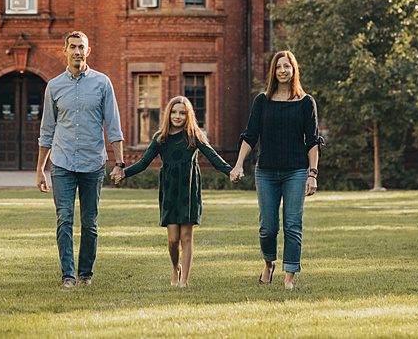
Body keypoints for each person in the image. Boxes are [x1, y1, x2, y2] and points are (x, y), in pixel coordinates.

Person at [36, 30, 125, 288]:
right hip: (62, 164)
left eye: (81, 47)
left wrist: (119, 164)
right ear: (64, 51)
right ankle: (68, 275)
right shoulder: (53, 86)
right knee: (64, 218)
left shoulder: (102, 83)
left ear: (88, 51)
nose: (77, 51)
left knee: (90, 222)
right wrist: (40, 169)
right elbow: (47, 130)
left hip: (92, 165)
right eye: (72, 47)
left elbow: (114, 127)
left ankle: (85, 274)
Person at [229, 49, 323, 291]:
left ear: (294, 70)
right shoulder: (262, 101)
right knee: (267, 227)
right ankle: (268, 263)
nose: (283, 70)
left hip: (296, 171)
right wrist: (239, 164)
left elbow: (312, 141)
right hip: (267, 172)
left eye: (287, 66)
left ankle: (289, 277)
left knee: (293, 224)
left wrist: (312, 173)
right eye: (279, 66)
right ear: (273, 71)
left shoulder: (305, 103)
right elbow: (250, 136)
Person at [118, 95, 232, 287]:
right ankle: (175, 268)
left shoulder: (194, 136)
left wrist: (231, 172)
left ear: (189, 116)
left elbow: (214, 158)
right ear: (168, 113)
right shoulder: (160, 138)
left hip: (188, 189)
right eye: (174, 112)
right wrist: (124, 174)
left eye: (182, 113)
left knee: (186, 236)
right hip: (170, 190)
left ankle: (184, 281)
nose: (177, 116)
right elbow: (144, 163)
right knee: (172, 240)